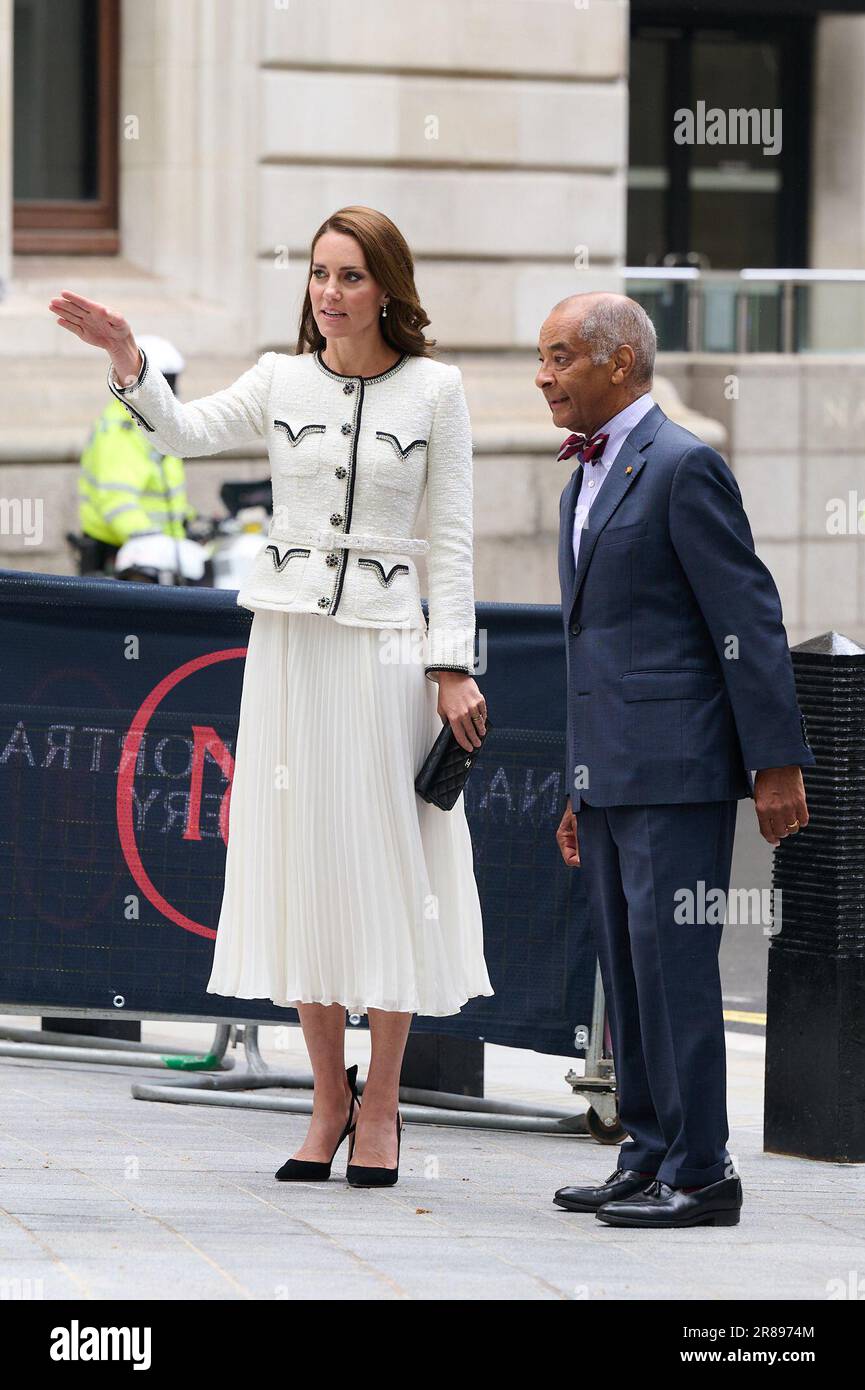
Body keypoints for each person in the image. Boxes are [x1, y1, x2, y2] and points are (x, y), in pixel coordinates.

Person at [48, 205, 493, 1189]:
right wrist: (128, 357)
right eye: (319, 274)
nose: (328, 293)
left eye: (348, 276)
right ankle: (326, 1096)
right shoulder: (279, 378)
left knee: (384, 861)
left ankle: (381, 1104)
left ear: (387, 288)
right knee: (304, 863)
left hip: (386, 651)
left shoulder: (438, 391)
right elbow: (182, 434)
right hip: (289, 645)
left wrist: (451, 662)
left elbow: (453, 538)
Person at [541, 292, 814, 1228]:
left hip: (677, 765)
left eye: (561, 357)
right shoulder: (581, 478)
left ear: (620, 364)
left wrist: (774, 762)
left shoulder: (684, 465)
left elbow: (748, 618)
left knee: (675, 971)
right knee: (626, 970)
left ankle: (704, 1172)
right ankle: (649, 1150)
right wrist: (579, 782)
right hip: (610, 770)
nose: (543, 375)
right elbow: (592, 646)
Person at [76, 335, 196, 573]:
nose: (170, 392)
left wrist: (189, 519)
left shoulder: (150, 423)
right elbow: (116, 500)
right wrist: (148, 537)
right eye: (165, 382)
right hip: (126, 558)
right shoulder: (124, 430)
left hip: (157, 552)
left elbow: (162, 492)